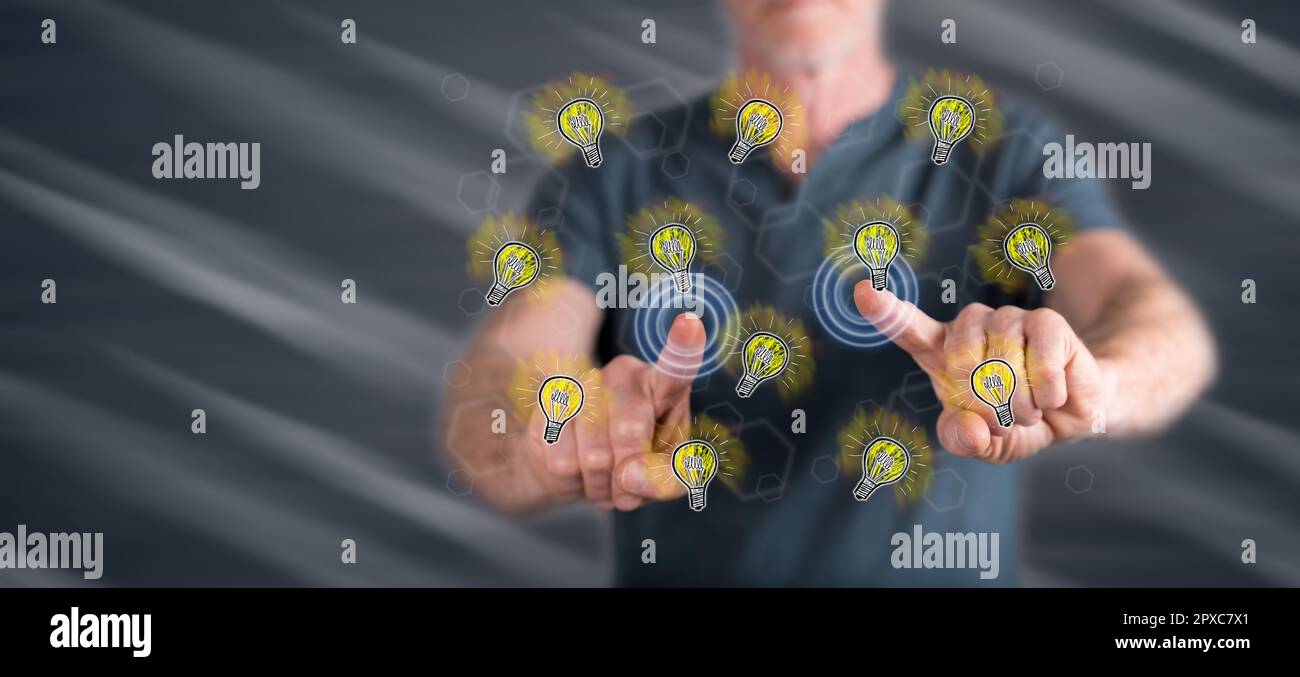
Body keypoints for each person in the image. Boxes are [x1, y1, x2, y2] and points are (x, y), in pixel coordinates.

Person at [443, 0, 1215, 585]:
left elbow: (1158, 322)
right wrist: (557, 430)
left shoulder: (1009, 156)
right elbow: (503, 377)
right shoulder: (614, 174)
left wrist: (1092, 381)